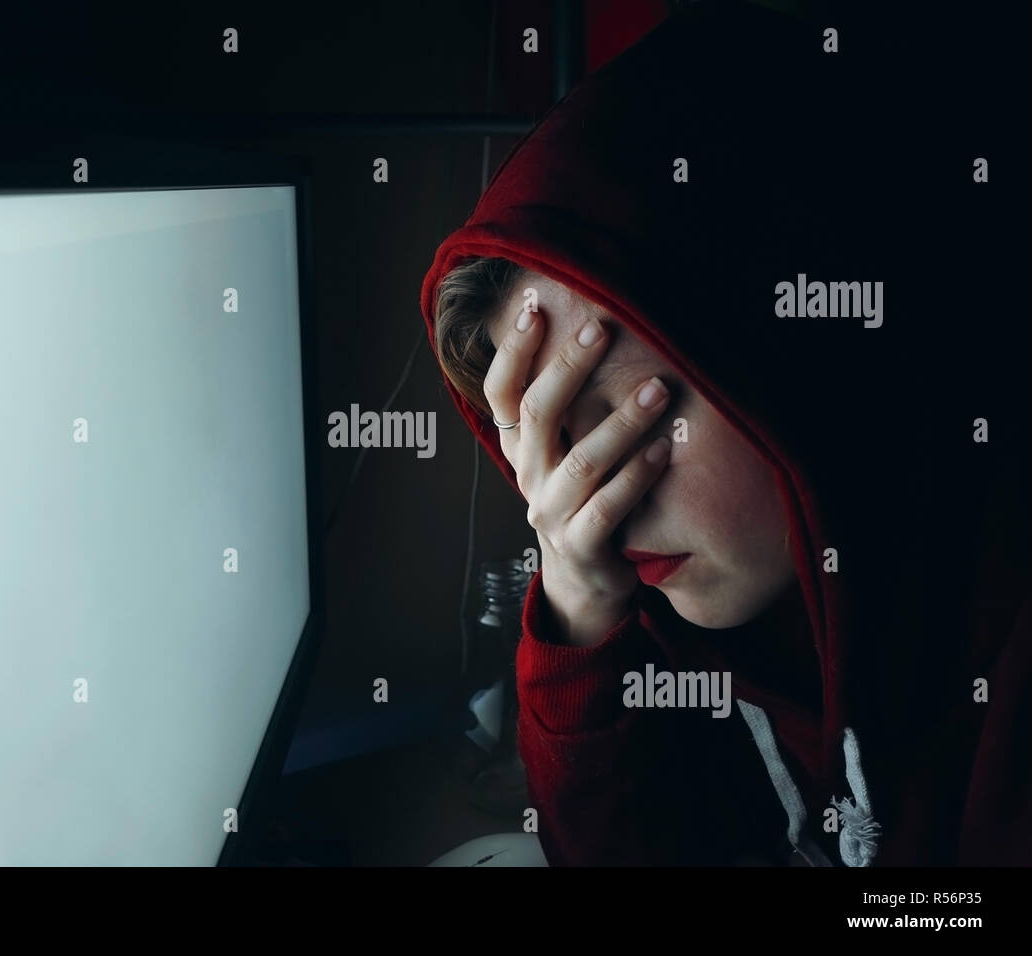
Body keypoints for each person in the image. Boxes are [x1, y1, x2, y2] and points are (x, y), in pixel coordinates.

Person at [418, 3, 1031, 865]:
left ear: (806, 355)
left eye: (628, 406)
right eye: (549, 434)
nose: (582, 500)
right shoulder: (700, 624)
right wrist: (580, 610)